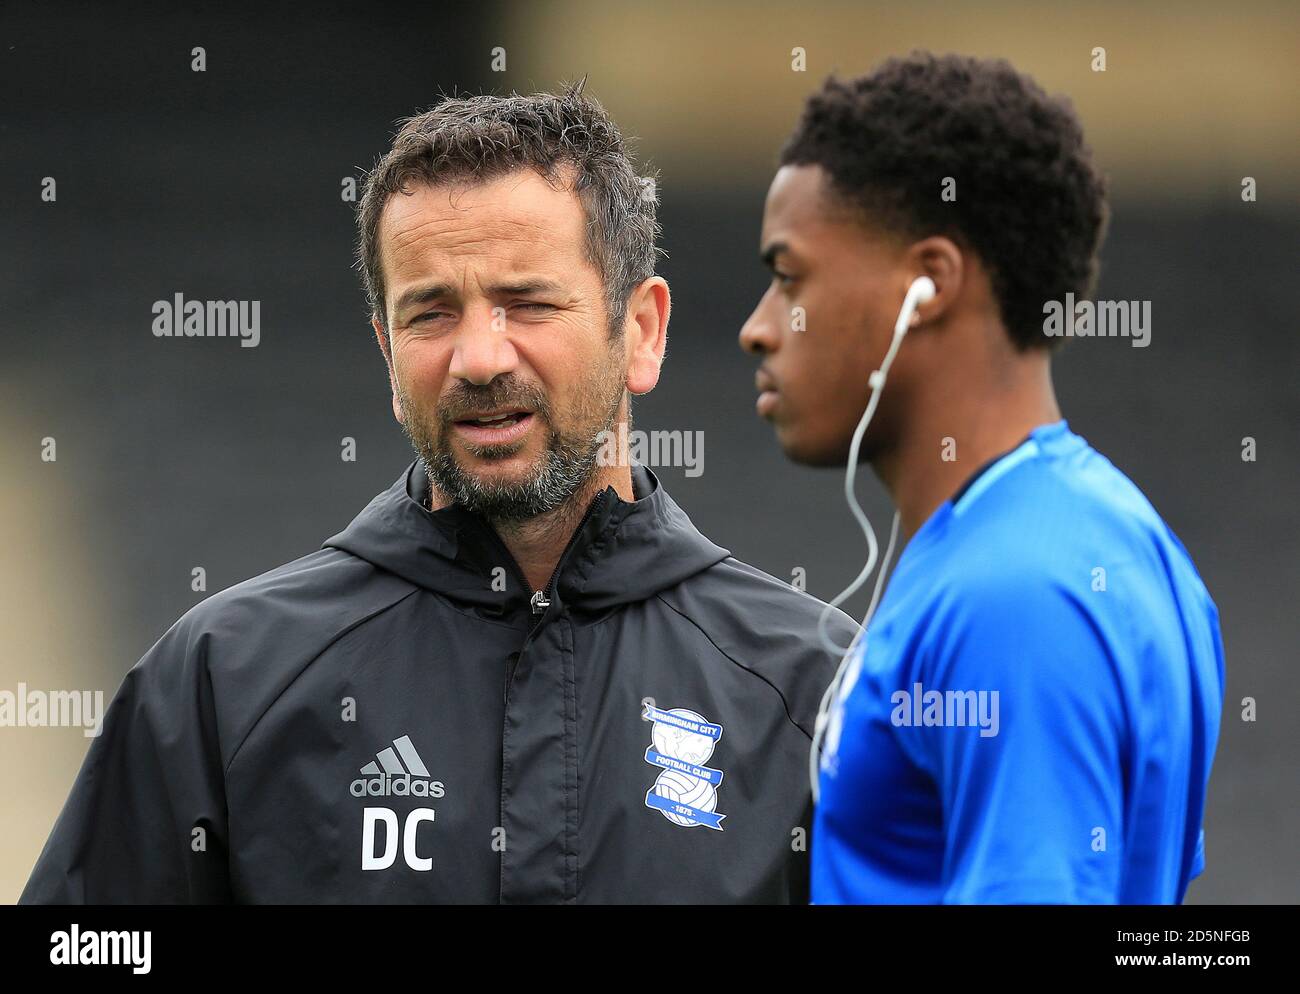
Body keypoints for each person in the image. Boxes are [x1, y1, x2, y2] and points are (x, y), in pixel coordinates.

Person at [21, 83, 855, 904]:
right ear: (387, 353)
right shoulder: (222, 680)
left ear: (641, 331)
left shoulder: (816, 691)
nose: (480, 358)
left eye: (525, 303)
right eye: (431, 314)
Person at [738, 53, 1224, 904]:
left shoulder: (1015, 593)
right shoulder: (1109, 538)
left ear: (928, 284)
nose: (757, 328)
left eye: (788, 278)